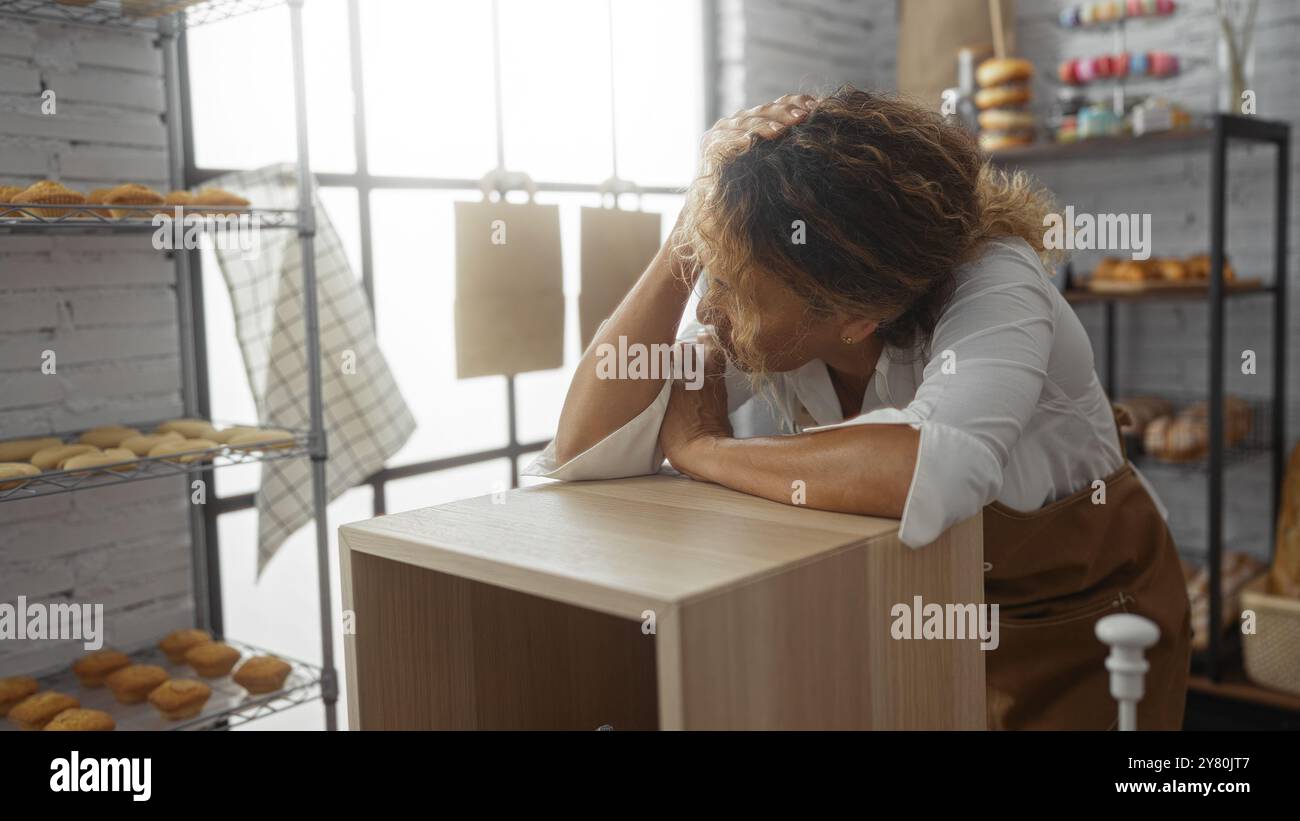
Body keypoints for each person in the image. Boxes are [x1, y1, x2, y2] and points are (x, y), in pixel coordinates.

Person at [524, 86, 1191, 730]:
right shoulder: (788, 298)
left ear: (854, 314)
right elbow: (588, 445)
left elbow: (939, 464)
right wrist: (684, 236)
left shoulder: (999, 284)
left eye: (728, 285)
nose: (704, 309)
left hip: (1081, 627)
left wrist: (705, 450)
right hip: (925, 609)